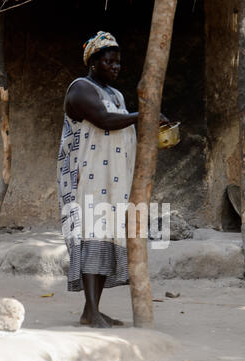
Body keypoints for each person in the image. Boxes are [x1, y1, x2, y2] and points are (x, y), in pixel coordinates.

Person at [57, 31, 168, 328]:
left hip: (114, 179)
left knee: (106, 238)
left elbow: (121, 126)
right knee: (93, 235)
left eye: (118, 63)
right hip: (89, 176)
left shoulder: (116, 95)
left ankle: (91, 310)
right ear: (93, 62)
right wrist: (145, 113)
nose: (116, 67)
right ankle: (92, 310)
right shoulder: (80, 89)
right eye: (109, 62)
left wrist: (148, 121)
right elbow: (104, 121)